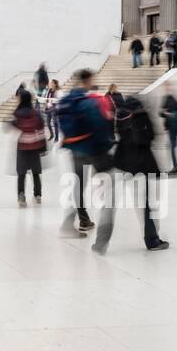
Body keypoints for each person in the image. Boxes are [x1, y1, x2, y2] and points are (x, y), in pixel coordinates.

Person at [56, 69, 114, 241]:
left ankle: (82, 220)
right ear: (87, 80)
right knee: (109, 182)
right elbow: (100, 127)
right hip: (91, 149)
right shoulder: (88, 102)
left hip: (73, 148)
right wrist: (107, 148)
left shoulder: (66, 101)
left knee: (78, 185)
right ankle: (97, 225)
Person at [110, 94, 170, 251]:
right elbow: (150, 137)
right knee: (147, 204)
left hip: (124, 163)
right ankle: (152, 240)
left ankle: (101, 242)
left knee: (112, 204)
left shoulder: (120, 116)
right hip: (143, 164)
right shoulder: (142, 115)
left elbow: (118, 135)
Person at [10, 88, 46, 206]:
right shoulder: (36, 113)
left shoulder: (17, 113)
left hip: (22, 146)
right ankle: (38, 195)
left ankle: (21, 196)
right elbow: (41, 130)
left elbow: (10, 125)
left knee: (21, 173)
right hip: (35, 146)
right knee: (35, 172)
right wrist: (43, 147)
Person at [160, 82, 177, 176]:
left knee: (172, 146)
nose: (167, 89)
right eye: (166, 87)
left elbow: (174, 114)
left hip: (174, 126)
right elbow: (161, 113)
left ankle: (175, 167)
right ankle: (175, 166)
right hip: (171, 126)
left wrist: (167, 114)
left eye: (168, 87)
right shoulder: (167, 99)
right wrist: (164, 113)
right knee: (171, 146)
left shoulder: (173, 100)